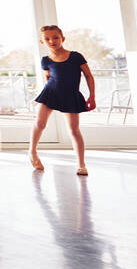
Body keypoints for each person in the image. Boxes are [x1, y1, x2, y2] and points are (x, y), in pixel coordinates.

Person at [30, 24, 95, 176]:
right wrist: (51, 97)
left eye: (55, 38)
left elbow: (88, 76)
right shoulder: (45, 60)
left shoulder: (76, 56)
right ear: (42, 42)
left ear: (62, 39)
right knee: (40, 123)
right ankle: (32, 153)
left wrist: (92, 95)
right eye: (47, 39)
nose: (52, 41)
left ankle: (81, 164)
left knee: (73, 130)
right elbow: (48, 77)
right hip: (50, 93)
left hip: (71, 95)